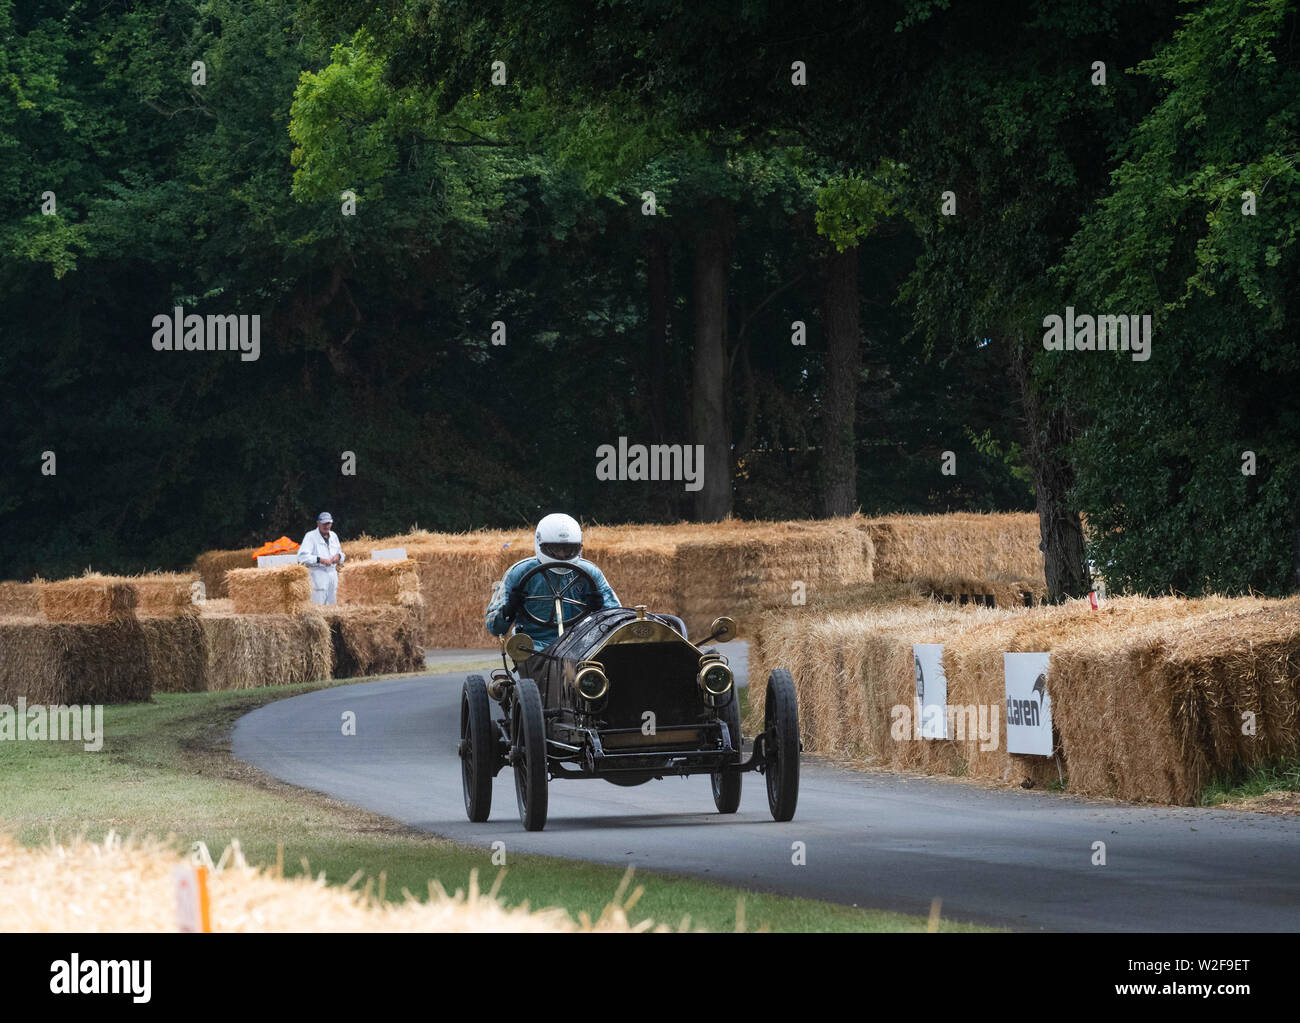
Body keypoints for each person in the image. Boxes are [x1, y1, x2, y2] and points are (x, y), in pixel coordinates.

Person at [485, 513, 620, 659]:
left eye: (568, 549)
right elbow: (494, 627)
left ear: (578, 547)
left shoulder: (590, 572)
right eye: (555, 549)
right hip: (535, 647)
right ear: (541, 544)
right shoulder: (519, 572)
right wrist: (509, 609)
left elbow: (617, 619)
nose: (562, 555)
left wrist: (600, 611)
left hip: (581, 644)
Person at [297, 512, 346, 605]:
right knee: (318, 608)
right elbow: (302, 557)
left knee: (332, 608)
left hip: (332, 577)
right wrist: (320, 560)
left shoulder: (334, 536)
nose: (326, 526)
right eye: (324, 523)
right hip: (317, 577)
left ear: (331, 523)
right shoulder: (310, 536)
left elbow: (341, 553)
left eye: (328, 523)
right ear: (318, 523)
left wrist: (339, 556)